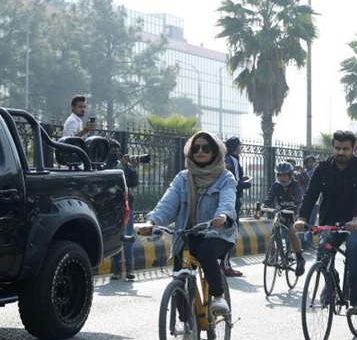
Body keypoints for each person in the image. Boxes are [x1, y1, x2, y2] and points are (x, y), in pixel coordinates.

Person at [138, 132, 237, 314]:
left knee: (205, 251)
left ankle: (218, 296)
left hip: (217, 233)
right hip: (186, 234)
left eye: (205, 148)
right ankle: (187, 322)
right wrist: (152, 222)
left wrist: (222, 216)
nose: (200, 151)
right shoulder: (182, 178)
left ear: (215, 152)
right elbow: (167, 204)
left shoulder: (225, 177)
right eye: (196, 148)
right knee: (181, 292)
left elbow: (227, 201)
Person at [294, 131, 357, 315]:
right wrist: (302, 217)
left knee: (353, 247)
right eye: (337, 148)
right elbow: (311, 194)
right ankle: (331, 283)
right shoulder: (323, 168)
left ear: (353, 148)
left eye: (345, 149)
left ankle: (356, 299)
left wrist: (356, 218)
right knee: (324, 251)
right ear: (333, 148)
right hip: (331, 221)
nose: (341, 152)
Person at [258, 161, 305, 276]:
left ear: (290, 175)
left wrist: (296, 208)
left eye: (284, 175)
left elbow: (299, 200)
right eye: (279, 175)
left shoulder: (295, 185)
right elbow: (269, 199)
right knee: (275, 226)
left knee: (292, 233)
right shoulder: (276, 185)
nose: (281, 178)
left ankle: (300, 259)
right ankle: (273, 252)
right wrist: (262, 210)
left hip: (292, 212)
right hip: (281, 212)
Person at [107, 139, 139, 281]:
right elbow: (112, 178)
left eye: (117, 150)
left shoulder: (123, 164)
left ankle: (129, 268)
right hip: (113, 205)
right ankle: (117, 268)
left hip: (127, 203)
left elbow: (133, 183)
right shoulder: (106, 164)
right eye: (112, 150)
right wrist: (121, 165)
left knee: (128, 236)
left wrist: (132, 168)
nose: (115, 153)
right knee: (116, 236)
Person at [222, 136, 251, 277]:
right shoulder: (232, 160)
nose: (241, 147)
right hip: (232, 201)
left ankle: (223, 264)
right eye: (240, 145)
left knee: (225, 231)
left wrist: (241, 179)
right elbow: (232, 183)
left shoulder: (226, 159)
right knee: (231, 232)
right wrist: (246, 184)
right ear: (236, 147)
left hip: (227, 200)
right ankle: (225, 265)